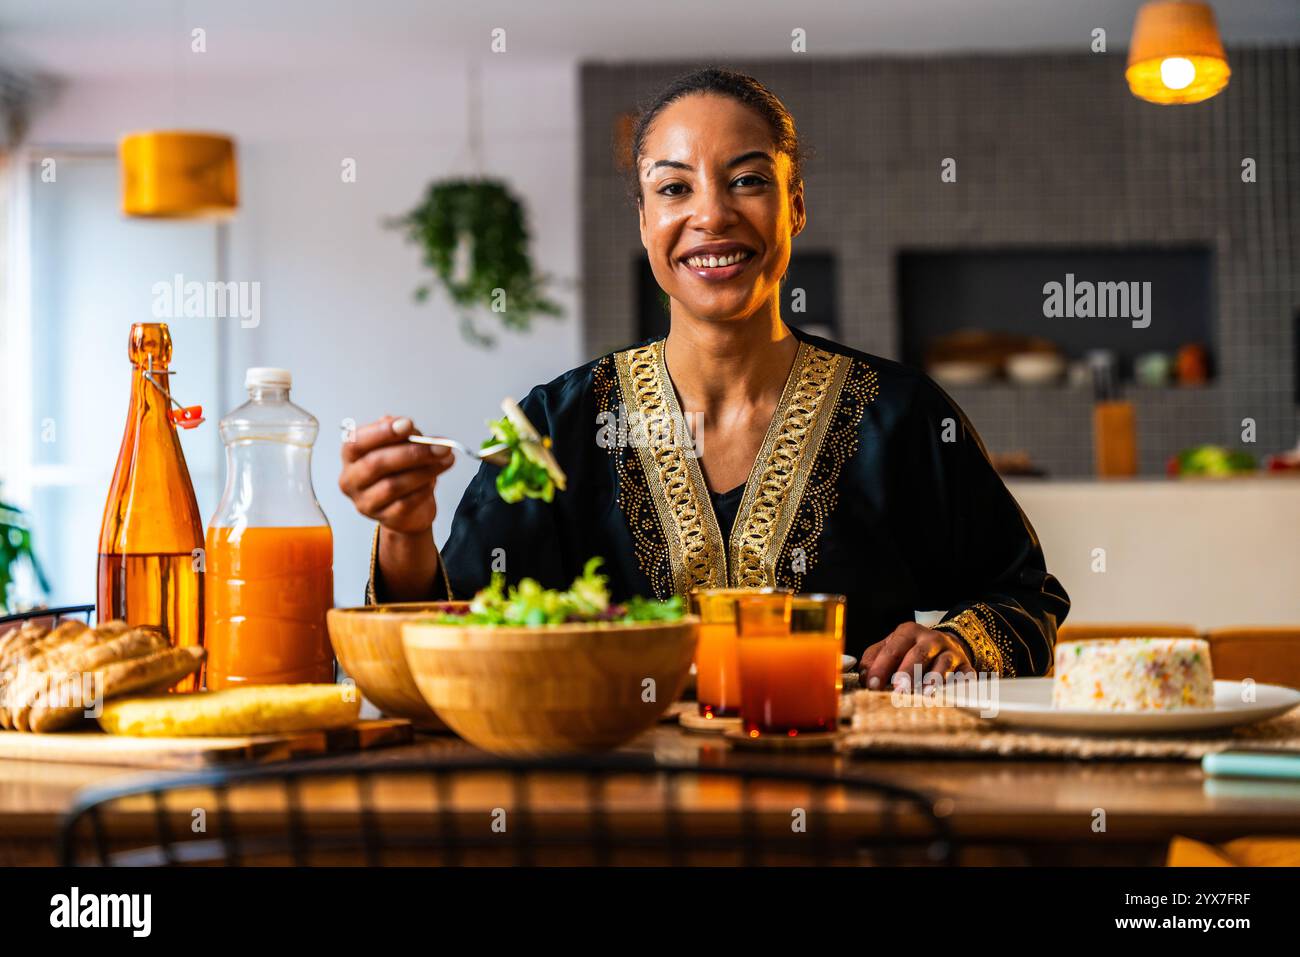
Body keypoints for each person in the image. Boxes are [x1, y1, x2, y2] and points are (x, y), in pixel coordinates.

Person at [339, 67, 1070, 688]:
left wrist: (960, 641)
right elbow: (450, 640)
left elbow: (1022, 593)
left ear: (796, 206)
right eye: (674, 188)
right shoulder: (552, 427)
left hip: (852, 808)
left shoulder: (903, 416)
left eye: (748, 180)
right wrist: (405, 530)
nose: (712, 215)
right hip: (613, 813)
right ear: (644, 221)